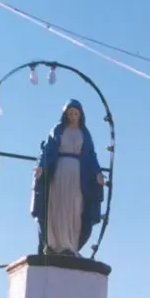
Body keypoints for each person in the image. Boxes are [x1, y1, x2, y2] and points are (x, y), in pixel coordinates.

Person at [31, 100, 105, 256]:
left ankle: (69, 244)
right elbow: (48, 150)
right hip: (60, 171)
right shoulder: (58, 130)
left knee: (75, 207)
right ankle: (53, 243)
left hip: (78, 174)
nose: (72, 116)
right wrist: (41, 166)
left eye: (75, 113)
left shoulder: (85, 133)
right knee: (57, 205)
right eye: (70, 113)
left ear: (80, 115)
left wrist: (98, 173)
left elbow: (91, 155)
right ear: (65, 114)